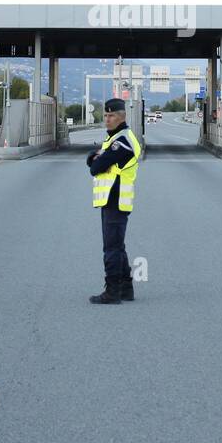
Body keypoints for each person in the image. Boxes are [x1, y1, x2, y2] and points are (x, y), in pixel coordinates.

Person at [86, 97, 143, 304]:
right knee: (117, 246)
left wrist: (98, 158)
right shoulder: (114, 138)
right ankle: (126, 289)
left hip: (116, 198)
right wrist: (97, 157)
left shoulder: (123, 140)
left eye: (112, 116)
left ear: (122, 117)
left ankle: (112, 292)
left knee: (111, 247)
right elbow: (94, 159)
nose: (107, 119)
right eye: (106, 115)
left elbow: (95, 166)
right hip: (112, 199)